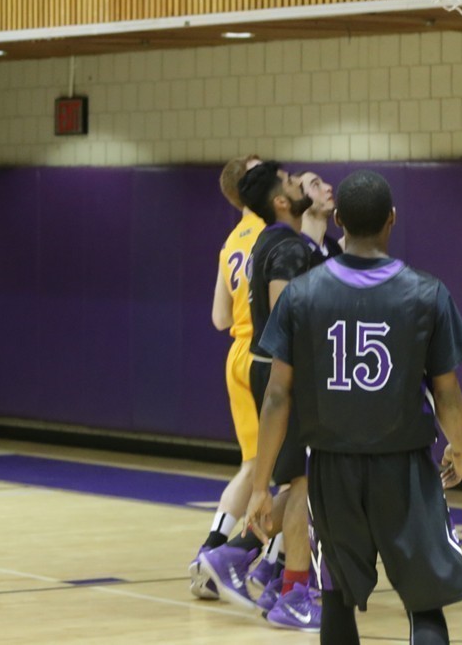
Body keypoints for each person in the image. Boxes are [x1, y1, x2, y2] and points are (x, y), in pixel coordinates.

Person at [246, 169, 462, 645]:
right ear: (392, 220)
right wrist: (457, 445)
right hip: (406, 469)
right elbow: (448, 391)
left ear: (340, 220)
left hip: (332, 470)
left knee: (337, 598)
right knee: (424, 603)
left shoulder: (302, 294)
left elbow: (276, 395)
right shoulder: (427, 292)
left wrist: (260, 486)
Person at [239, 159, 335, 628]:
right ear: (282, 201)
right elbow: (286, 322)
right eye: (295, 183)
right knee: (305, 484)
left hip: (270, 371)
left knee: (301, 481)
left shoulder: (269, 242)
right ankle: (298, 589)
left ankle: (243, 557)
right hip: (285, 375)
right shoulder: (292, 250)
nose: (301, 185)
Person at [189, 155, 271, 602]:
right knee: (290, 474)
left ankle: (213, 549)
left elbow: (220, 317)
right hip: (264, 354)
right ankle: (268, 560)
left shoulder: (230, 241)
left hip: (237, 353)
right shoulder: (273, 232)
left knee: (253, 466)